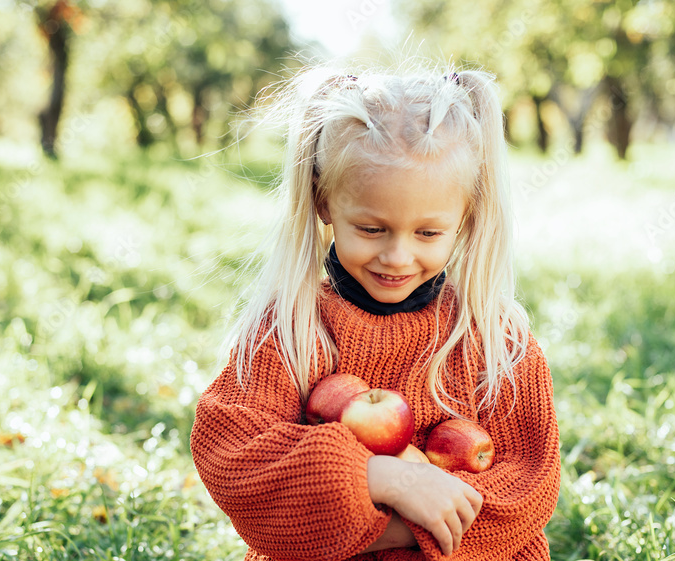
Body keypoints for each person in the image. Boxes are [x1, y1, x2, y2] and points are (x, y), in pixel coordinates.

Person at [190, 62, 560, 560]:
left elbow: (528, 488)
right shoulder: (289, 330)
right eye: (371, 229)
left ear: (465, 219)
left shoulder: (494, 339)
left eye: (428, 233)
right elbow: (232, 454)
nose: (398, 256)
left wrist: (405, 530)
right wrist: (381, 477)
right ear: (324, 203)